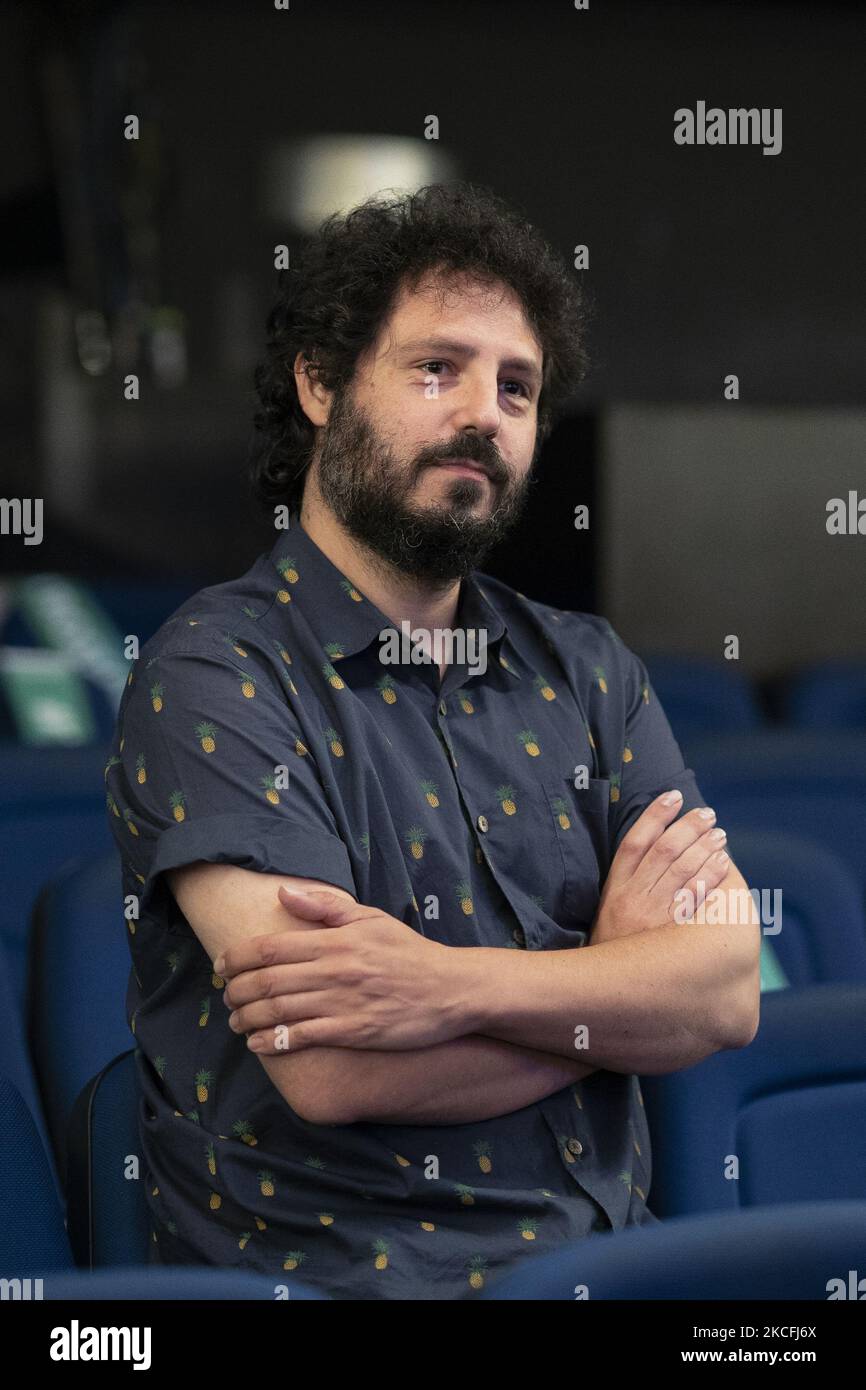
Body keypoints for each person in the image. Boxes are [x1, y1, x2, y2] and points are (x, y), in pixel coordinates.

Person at [105, 182, 760, 1300]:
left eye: (517, 387)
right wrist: (614, 994)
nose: (483, 414)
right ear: (319, 383)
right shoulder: (215, 674)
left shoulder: (588, 669)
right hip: (343, 1286)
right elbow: (331, 1061)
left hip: (618, 1270)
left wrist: (441, 990)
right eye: (435, 369)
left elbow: (725, 993)